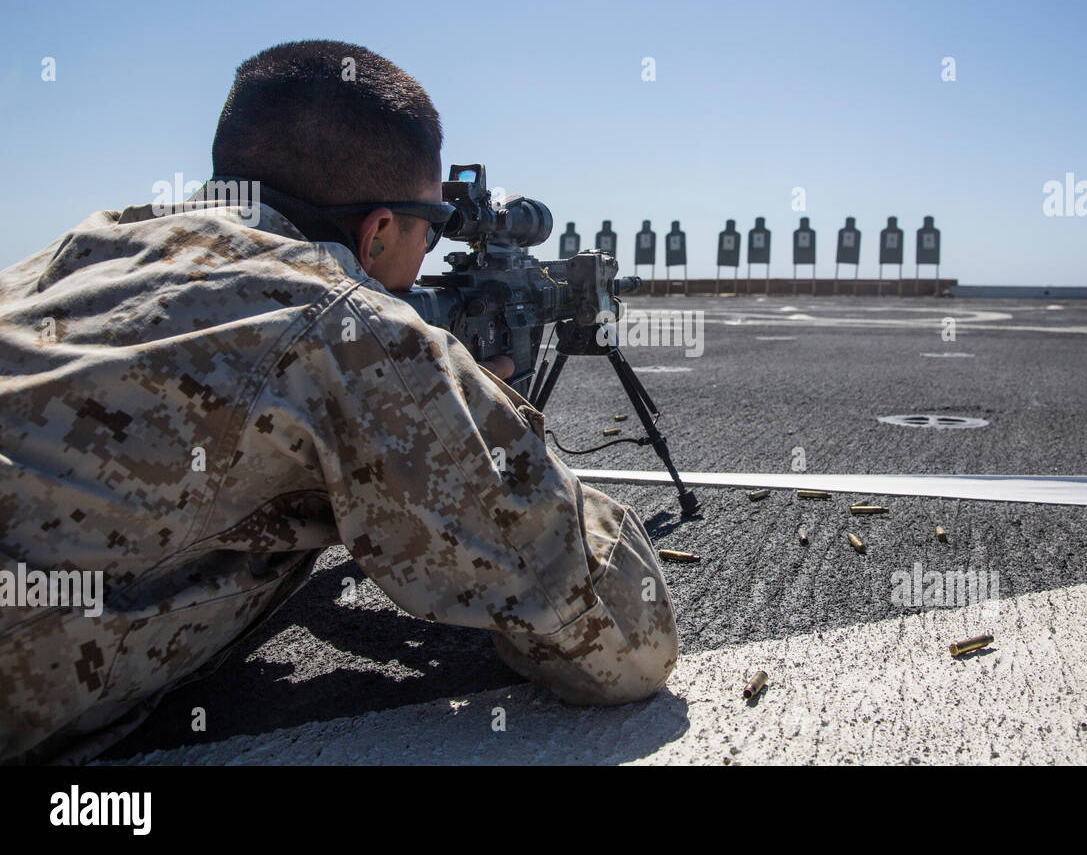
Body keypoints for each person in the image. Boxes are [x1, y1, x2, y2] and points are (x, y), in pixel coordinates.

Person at [0, 40, 678, 764]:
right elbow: (628, 634)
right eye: (432, 230)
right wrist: (479, 420)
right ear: (378, 230)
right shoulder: (347, 326)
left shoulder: (80, 249)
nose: (431, 256)